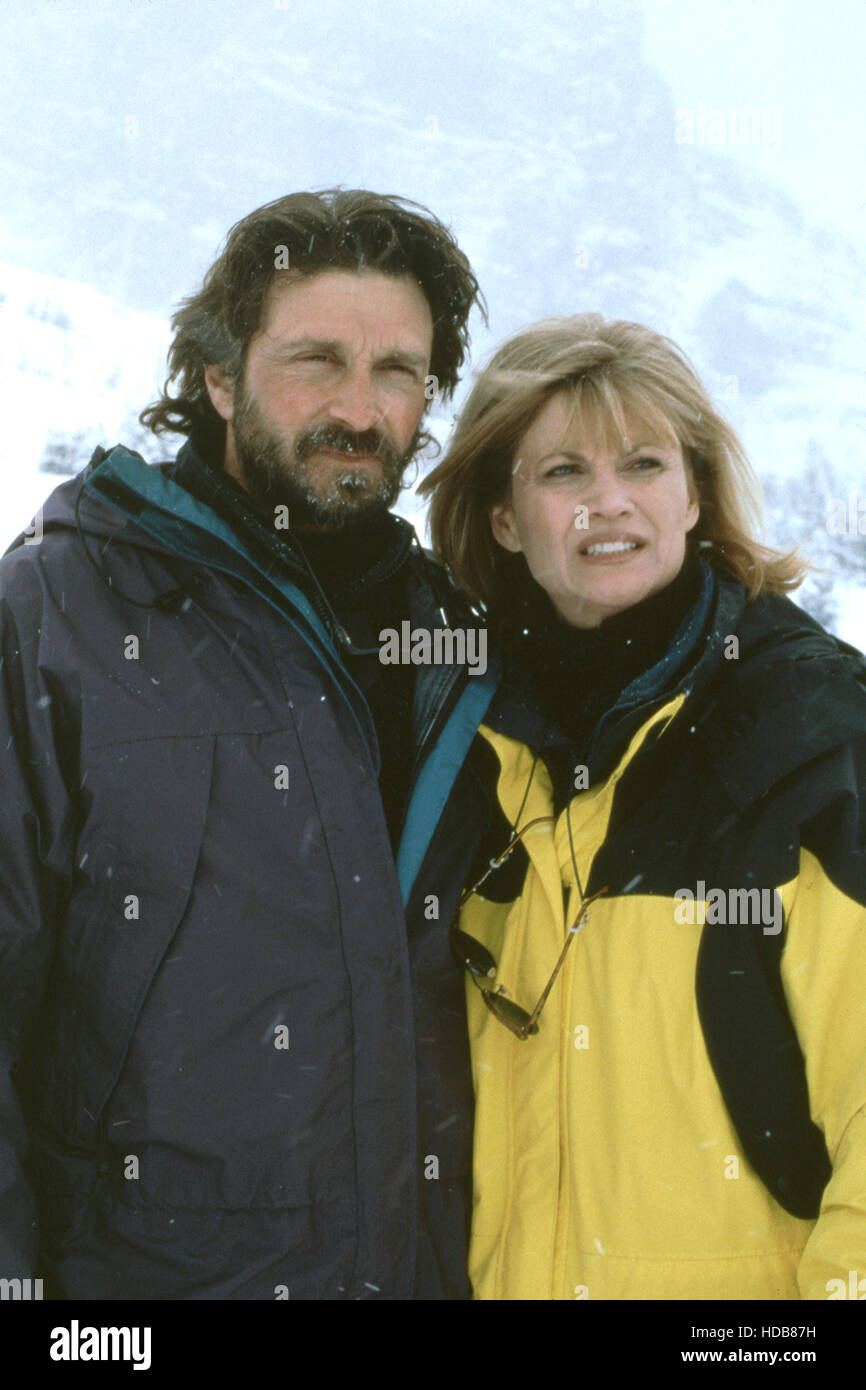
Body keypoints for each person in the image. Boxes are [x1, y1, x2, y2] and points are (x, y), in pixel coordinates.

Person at [0, 188, 497, 1300]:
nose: (358, 410)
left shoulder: (461, 642)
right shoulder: (57, 615)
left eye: (398, 371)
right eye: (313, 361)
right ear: (219, 377)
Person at [418, 313, 866, 1300]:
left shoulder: (814, 736)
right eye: (561, 473)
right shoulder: (462, 753)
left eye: (643, 463)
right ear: (501, 517)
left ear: (694, 493)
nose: (606, 502)